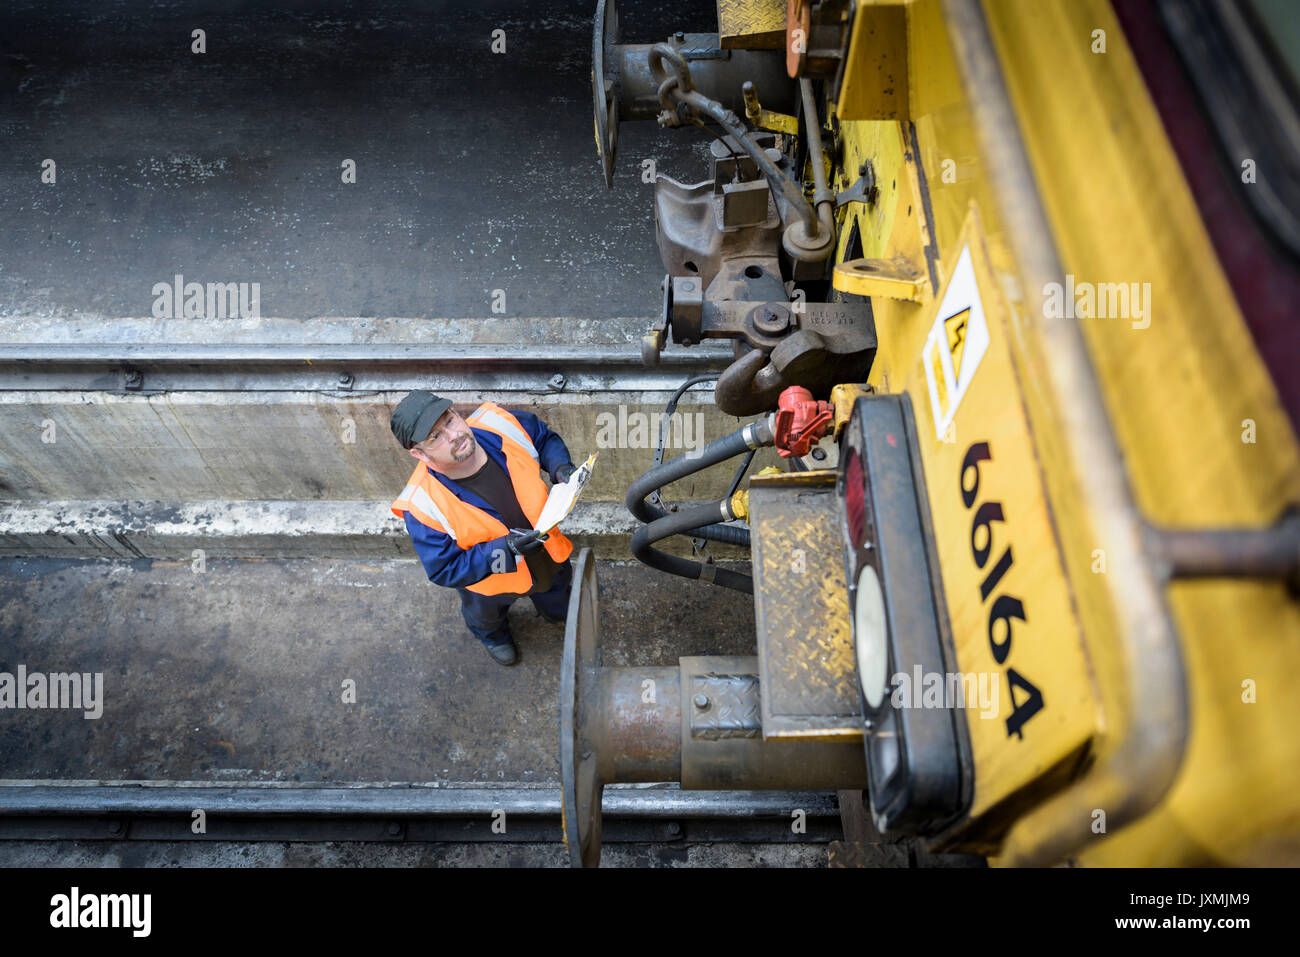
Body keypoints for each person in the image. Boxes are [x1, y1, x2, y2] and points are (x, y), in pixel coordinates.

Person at [389, 390, 577, 665]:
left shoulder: (500, 423)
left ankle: (556, 611)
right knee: (485, 616)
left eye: (449, 420)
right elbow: (444, 569)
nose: (454, 435)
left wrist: (560, 466)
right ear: (419, 453)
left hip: (548, 553)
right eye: (435, 437)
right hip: (491, 585)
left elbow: (543, 438)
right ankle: (493, 636)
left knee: (557, 592)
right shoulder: (421, 505)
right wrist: (505, 551)